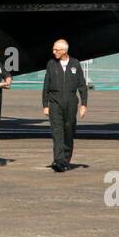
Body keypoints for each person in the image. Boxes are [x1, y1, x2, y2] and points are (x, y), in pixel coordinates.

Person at [41, 39, 88, 172]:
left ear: (64, 51)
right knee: (57, 133)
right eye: (53, 49)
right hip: (55, 103)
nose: (53, 52)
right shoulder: (51, 64)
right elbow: (46, 86)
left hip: (71, 103)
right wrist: (45, 104)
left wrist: (84, 104)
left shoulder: (75, 64)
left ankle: (66, 159)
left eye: (56, 50)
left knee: (68, 131)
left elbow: (82, 86)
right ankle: (58, 160)